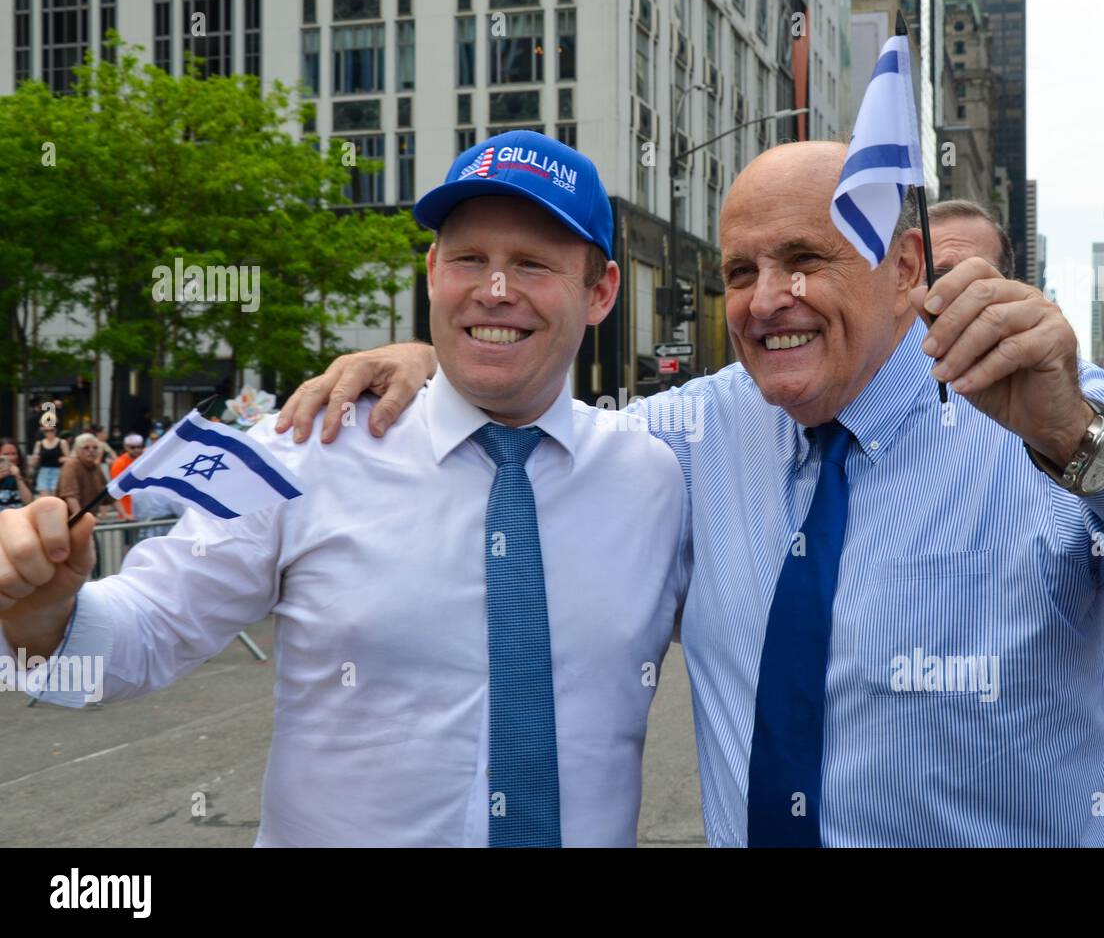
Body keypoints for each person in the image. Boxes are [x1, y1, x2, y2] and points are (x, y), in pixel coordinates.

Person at [284, 141, 1104, 847]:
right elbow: (530, 438)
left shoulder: (1037, 403)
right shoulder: (675, 441)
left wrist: (1077, 441)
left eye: (806, 259)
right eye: (740, 270)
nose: (768, 298)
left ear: (905, 268)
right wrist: (436, 357)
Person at [0, 131, 689, 847]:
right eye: (469, 258)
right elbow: (145, 628)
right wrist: (43, 617)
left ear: (601, 290)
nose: (494, 289)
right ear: (431, 270)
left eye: (532, 263)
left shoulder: (656, 477)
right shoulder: (307, 448)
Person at [927, 199, 1104, 811]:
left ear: (1008, 290)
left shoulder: (1070, 402)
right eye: (929, 274)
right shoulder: (845, 419)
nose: (945, 294)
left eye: (966, 275)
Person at [55, 433, 128, 521]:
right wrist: (81, 517)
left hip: (88, 518)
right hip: (70, 520)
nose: (91, 450)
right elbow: (70, 495)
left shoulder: (96, 466)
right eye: (86, 448)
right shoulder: (71, 465)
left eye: (95, 448)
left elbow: (107, 493)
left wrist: (124, 514)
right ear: (77, 450)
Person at [108, 434, 145, 519]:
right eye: (132, 447)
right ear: (125, 447)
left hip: (146, 509)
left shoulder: (145, 460)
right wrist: (124, 513)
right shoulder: (119, 464)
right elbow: (116, 490)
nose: (137, 450)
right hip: (128, 512)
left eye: (139, 447)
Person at [29, 425, 69, 497]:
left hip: (58, 472)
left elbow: (69, 458)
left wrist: (64, 459)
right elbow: (34, 459)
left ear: (55, 430)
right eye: (46, 431)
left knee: (56, 497)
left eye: (51, 430)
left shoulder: (62, 442)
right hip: (43, 472)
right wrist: (35, 459)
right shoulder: (39, 443)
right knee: (45, 498)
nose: (49, 432)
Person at [0, 439, 34, 510]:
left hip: (18, 516)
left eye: (13, 454)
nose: (11, 458)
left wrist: (18, 477)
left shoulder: (23, 473)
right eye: (6, 454)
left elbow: (29, 502)